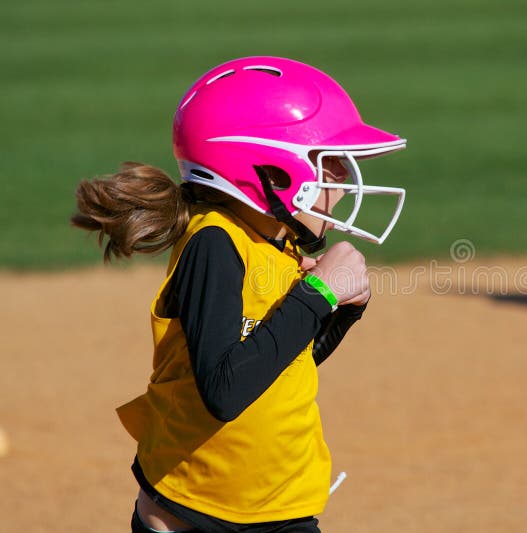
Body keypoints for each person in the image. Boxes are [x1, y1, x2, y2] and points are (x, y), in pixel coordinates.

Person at [71, 56, 407, 533]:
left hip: (277, 502)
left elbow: (281, 363)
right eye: (328, 163)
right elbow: (225, 392)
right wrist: (317, 293)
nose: (342, 181)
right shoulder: (214, 244)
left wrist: (339, 310)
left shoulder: (277, 240)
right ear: (272, 171)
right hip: (198, 509)